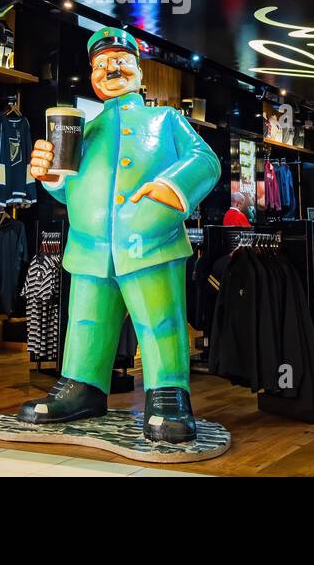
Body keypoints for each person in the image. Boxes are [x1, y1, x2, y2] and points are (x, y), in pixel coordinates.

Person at [17, 27, 220, 443]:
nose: (110, 68)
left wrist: (173, 187)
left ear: (140, 73)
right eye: (100, 64)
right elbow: (68, 185)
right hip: (90, 248)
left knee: (160, 321)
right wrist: (48, 175)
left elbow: (206, 159)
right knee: (86, 320)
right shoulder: (84, 131)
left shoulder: (166, 120)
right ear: (91, 77)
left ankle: (168, 393)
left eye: (120, 61)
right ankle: (82, 385)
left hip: (151, 241)